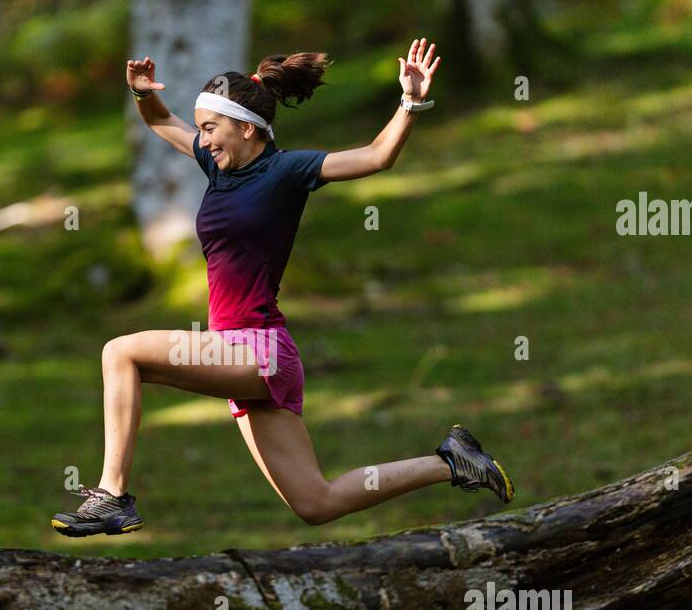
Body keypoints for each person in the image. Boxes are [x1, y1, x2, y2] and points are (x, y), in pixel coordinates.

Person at [52, 39, 512, 537]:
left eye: (210, 129)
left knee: (121, 353)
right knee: (317, 502)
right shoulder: (217, 168)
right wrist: (142, 94)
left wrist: (410, 102)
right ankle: (454, 462)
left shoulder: (285, 171)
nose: (202, 141)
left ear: (247, 128)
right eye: (201, 130)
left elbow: (377, 157)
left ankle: (112, 497)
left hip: (257, 350)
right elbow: (163, 124)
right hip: (243, 357)